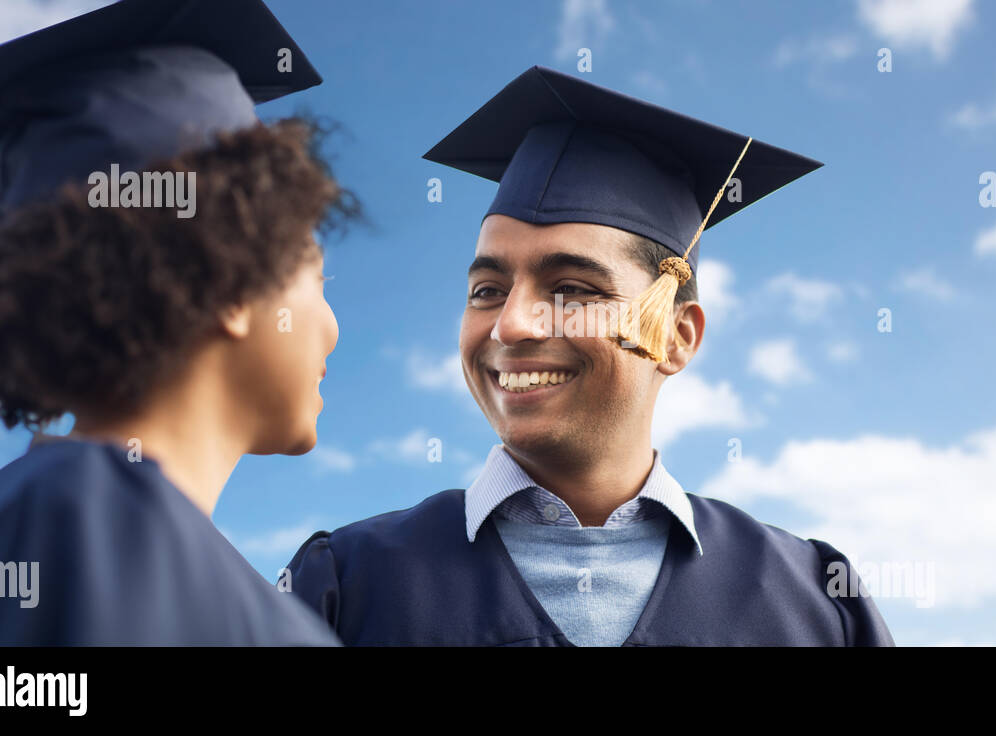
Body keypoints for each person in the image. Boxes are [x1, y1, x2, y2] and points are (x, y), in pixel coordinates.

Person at [285, 66, 894, 646]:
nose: (513, 324)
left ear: (678, 335)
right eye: (487, 291)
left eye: (572, 288)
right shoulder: (346, 587)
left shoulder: (814, 604)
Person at [0, 0, 352, 645]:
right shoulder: (82, 524)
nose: (332, 327)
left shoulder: (25, 524)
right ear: (229, 281)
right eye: (317, 279)